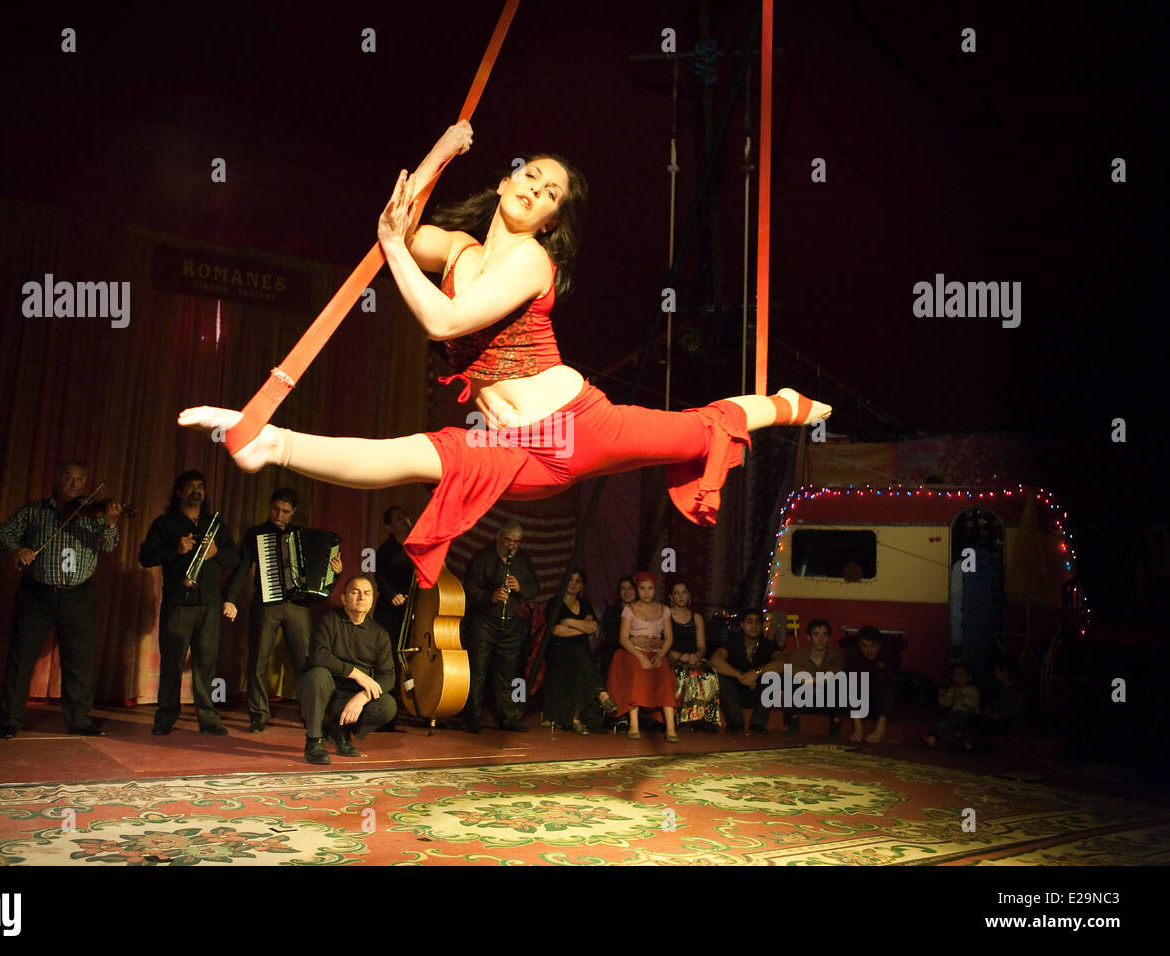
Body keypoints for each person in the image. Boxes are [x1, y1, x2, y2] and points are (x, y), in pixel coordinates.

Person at [178, 122, 832, 591]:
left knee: (695, 426)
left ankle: (784, 405)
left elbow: (441, 316)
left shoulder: (530, 259)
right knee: (409, 456)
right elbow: (401, 230)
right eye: (533, 177)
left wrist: (396, 246)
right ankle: (274, 446)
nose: (540, 191)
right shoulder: (458, 248)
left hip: (575, 424)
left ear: (550, 221)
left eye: (553, 195)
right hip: (512, 445)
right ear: (505, 180)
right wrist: (441, 150)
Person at [0, 460, 121, 738]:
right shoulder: (35, 510)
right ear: (57, 479)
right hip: (37, 593)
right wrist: (18, 550)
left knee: (78, 660)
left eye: (79, 479)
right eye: (68, 477)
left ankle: (79, 720)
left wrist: (109, 523)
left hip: (79, 595)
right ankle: (9, 721)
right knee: (22, 657)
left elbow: (109, 546)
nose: (74, 483)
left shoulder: (94, 514)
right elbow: (1, 535)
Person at [223, 487, 342, 732]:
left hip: (297, 605)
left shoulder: (301, 534)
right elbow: (243, 567)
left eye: (285, 511)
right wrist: (231, 598)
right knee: (258, 660)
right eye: (276, 509)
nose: (279, 515)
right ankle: (258, 714)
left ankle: (310, 713)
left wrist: (335, 574)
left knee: (306, 661)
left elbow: (319, 577)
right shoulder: (256, 533)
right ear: (270, 506)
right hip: (266, 603)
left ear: (293, 512)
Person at [139, 471, 239, 736]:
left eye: (201, 487)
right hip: (178, 604)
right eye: (191, 487)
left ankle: (208, 718)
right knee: (171, 662)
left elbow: (234, 558)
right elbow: (145, 557)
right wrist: (176, 550)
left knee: (206, 663)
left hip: (209, 604)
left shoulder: (213, 524)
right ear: (179, 492)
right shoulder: (165, 523)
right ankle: (165, 718)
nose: (197, 491)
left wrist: (218, 554)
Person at [297, 575, 396, 765]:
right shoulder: (329, 620)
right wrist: (356, 673)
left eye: (367, 593)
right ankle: (314, 741)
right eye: (355, 592)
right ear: (343, 599)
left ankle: (340, 731)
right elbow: (319, 656)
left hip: (351, 695)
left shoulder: (379, 634)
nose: (361, 597)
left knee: (387, 705)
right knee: (319, 674)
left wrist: (362, 697)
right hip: (321, 690)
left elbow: (388, 676)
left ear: (372, 599)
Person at [460, 521, 538, 733]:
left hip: (510, 623)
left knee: (508, 673)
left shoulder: (522, 560)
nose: (511, 546)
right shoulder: (482, 558)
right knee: (478, 671)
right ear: (498, 537)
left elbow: (534, 588)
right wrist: (490, 596)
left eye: (516, 542)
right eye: (507, 541)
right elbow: (468, 590)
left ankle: (508, 717)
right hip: (483, 621)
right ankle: (473, 717)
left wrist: (520, 587)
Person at [541, 569, 616, 734]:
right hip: (558, 651)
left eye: (577, 581)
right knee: (577, 652)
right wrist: (581, 626)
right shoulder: (555, 602)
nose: (573, 584)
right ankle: (601, 693)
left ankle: (574, 718)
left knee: (580, 661)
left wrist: (568, 622)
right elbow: (556, 631)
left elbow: (593, 627)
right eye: (570, 580)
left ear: (582, 585)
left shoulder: (585, 603)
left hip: (581, 653)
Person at [607, 572, 678, 741]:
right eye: (642, 588)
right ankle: (633, 725)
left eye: (650, 588)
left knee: (664, 677)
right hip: (633, 652)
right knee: (638, 674)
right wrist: (641, 657)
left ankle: (670, 728)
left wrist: (660, 656)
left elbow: (669, 638)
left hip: (656, 653)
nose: (646, 592)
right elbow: (623, 639)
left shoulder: (664, 609)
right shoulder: (629, 609)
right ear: (638, 590)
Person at [710, 607, 783, 735]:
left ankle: (758, 724)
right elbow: (715, 660)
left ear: (761, 626)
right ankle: (735, 722)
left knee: (774, 679)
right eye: (749, 622)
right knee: (720, 678)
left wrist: (756, 673)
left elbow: (782, 662)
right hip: (736, 693)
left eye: (757, 622)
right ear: (742, 625)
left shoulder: (767, 645)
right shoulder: (733, 642)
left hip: (759, 693)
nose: (753, 626)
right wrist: (741, 676)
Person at [667, 580, 721, 731]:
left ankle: (705, 719)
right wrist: (679, 656)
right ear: (671, 597)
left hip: (692, 658)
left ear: (689, 595)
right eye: (677, 593)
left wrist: (697, 655)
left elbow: (702, 646)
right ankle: (683, 719)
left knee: (709, 673)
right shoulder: (666, 616)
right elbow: (662, 644)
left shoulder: (696, 618)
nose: (681, 596)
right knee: (685, 674)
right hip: (673, 658)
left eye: (684, 592)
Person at [786, 618, 846, 737]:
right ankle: (793, 720)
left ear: (828, 638)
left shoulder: (834, 655)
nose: (820, 639)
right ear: (809, 637)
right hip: (804, 695)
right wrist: (810, 682)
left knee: (839, 682)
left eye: (824, 635)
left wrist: (811, 680)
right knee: (789, 681)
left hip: (827, 695)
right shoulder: (800, 654)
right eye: (816, 634)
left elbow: (835, 673)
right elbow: (793, 672)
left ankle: (836, 723)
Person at [844, 625, 900, 743]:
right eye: (864, 646)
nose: (868, 650)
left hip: (880, 699)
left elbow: (889, 678)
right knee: (852, 683)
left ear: (879, 644)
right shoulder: (852, 652)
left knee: (887, 687)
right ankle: (858, 727)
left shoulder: (888, 652)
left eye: (872, 646)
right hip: (860, 699)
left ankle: (880, 728)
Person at [373, 505, 416, 638]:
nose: (404, 519)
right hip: (390, 608)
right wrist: (392, 595)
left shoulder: (420, 546)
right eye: (398, 518)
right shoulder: (384, 551)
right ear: (390, 528)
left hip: (416, 606)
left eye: (404, 515)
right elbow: (380, 578)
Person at [921, 662, 981, 751]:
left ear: (969, 678)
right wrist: (941, 696)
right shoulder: (953, 689)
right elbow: (945, 704)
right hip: (954, 715)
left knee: (961, 720)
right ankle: (932, 738)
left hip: (969, 716)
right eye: (955, 676)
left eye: (960, 676)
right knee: (942, 722)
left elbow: (973, 704)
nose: (957, 679)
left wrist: (962, 697)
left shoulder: (973, 690)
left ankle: (961, 741)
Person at [596, 576, 636, 675]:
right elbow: (612, 638)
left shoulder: (644, 610)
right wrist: (633, 640)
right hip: (616, 656)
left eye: (630, 588)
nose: (627, 592)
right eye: (623, 588)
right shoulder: (611, 612)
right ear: (619, 591)